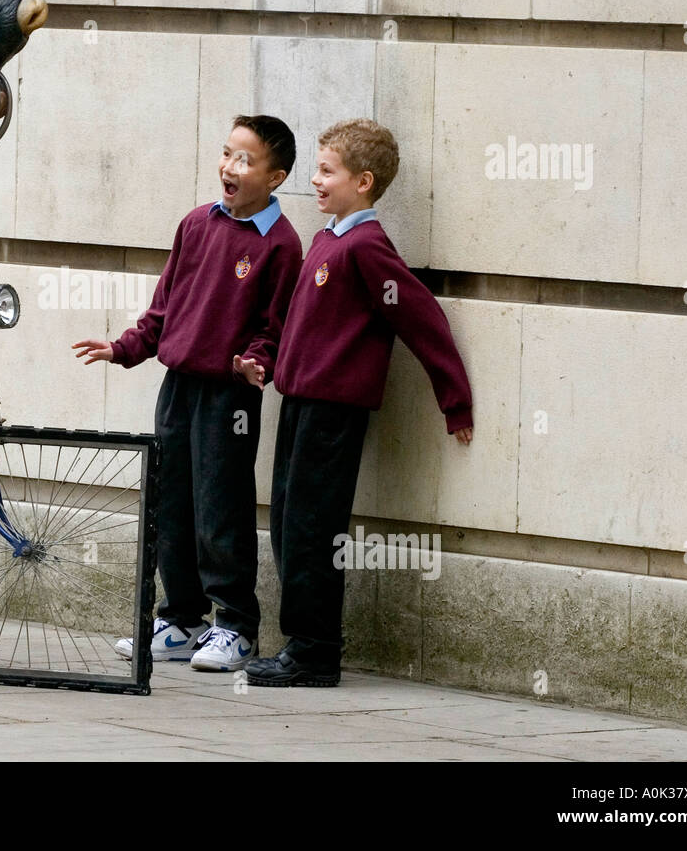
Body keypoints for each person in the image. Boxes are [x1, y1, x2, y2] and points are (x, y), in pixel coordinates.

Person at [246, 118, 473, 688]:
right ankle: (301, 644)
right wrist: (266, 365)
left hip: (332, 415)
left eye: (327, 171)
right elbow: (298, 324)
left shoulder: (368, 248)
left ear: (363, 182)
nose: (314, 181)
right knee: (290, 526)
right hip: (297, 405)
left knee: (314, 530)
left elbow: (422, 320)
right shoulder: (327, 240)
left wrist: (455, 401)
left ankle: (317, 653)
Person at [73, 115, 302, 671]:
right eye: (227, 153)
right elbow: (163, 307)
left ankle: (236, 628)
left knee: (219, 507)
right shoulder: (196, 225)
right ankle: (179, 619)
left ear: (277, 176)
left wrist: (257, 363)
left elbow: (275, 327)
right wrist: (125, 347)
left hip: (230, 397)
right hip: (177, 388)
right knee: (170, 504)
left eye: (245, 160)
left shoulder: (282, 244)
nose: (229, 167)